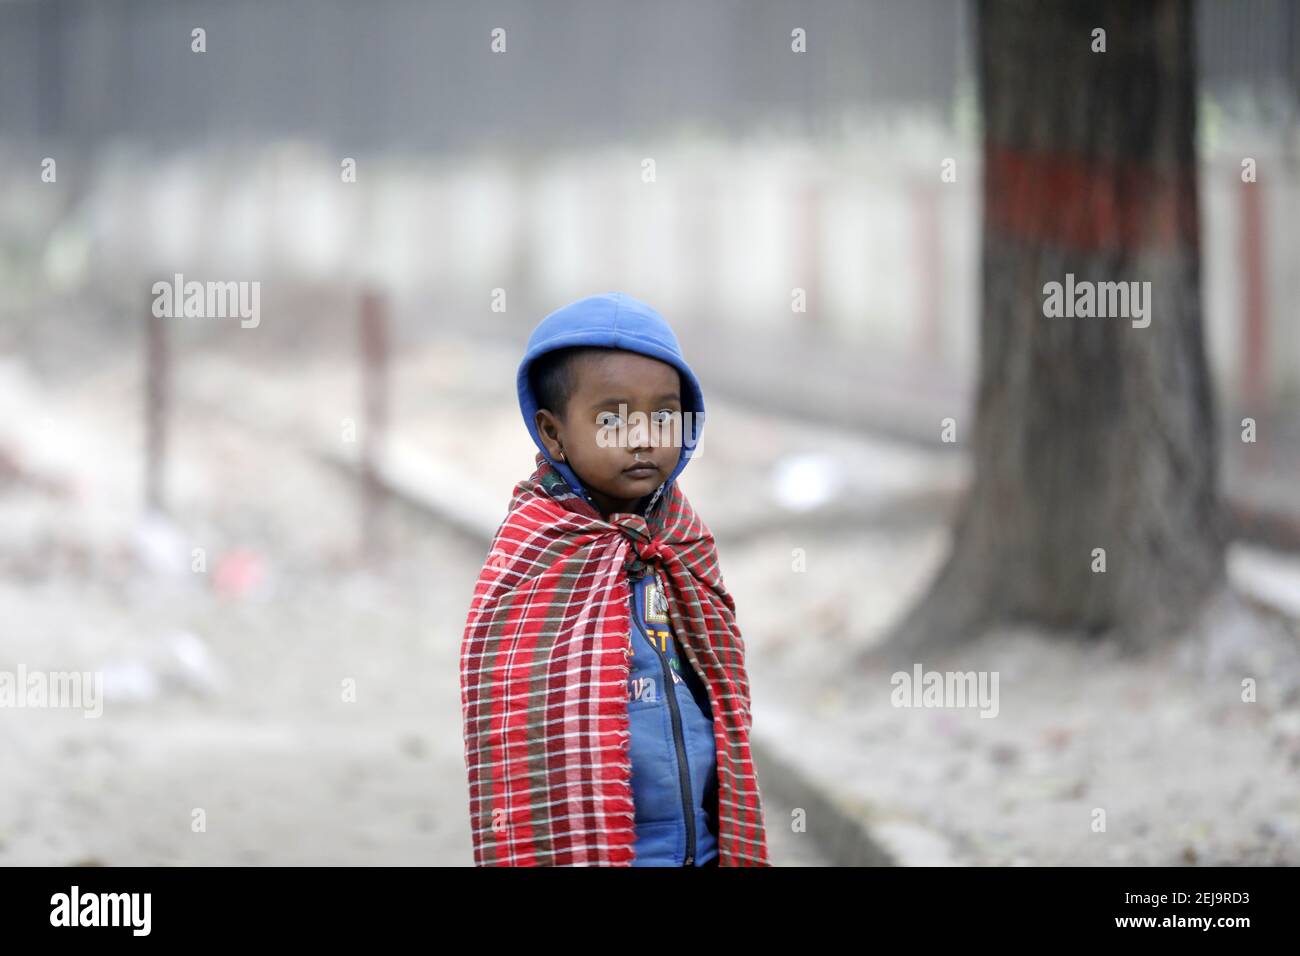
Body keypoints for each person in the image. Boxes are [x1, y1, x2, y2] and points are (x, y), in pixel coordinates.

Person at [459, 291, 770, 867]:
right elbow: (519, 724)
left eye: (663, 413)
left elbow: (723, 698)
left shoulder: (682, 539)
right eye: (611, 418)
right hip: (601, 846)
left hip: (699, 844)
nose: (643, 436)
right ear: (553, 433)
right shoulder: (537, 550)